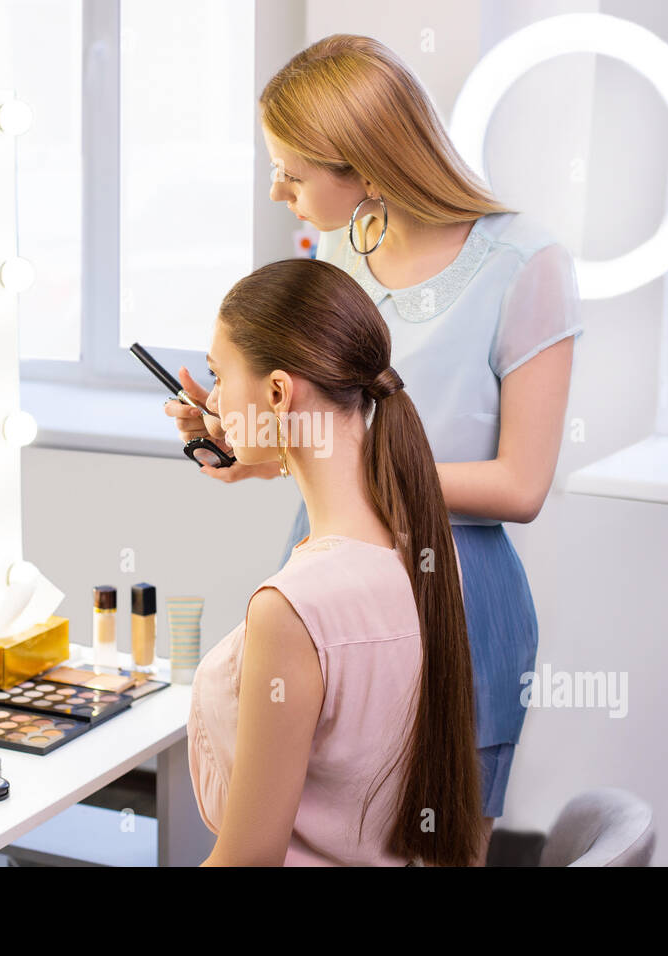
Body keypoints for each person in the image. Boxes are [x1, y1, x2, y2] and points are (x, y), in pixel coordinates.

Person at [166, 35, 583, 842]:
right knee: (296, 828)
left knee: (438, 846)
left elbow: (521, 485)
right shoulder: (338, 250)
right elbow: (324, 437)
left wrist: (334, 461)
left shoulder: (526, 264)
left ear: (364, 166)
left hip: (457, 592)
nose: (279, 188)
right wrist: (252, 440)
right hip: (328, 572)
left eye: (292, 168)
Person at [188, 257, 486, 866]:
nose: (213, 401)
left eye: (219, 376)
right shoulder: (427, 556)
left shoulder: (294, 610)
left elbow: (247, 860)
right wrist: (263, 447)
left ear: (277, 392)